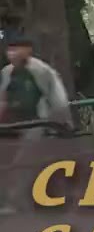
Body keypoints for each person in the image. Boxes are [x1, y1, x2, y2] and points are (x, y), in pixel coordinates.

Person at [0, 35, 73, 214]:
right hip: (12, 123)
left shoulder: (41, 71)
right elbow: (3, 97)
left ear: (28, 50)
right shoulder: (7, 72)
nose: (12, 53)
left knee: (23, 161)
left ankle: (16, 202)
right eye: (9, 49)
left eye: (16, 49)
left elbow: (58, 99)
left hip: (38, 122)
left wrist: (63, 123)